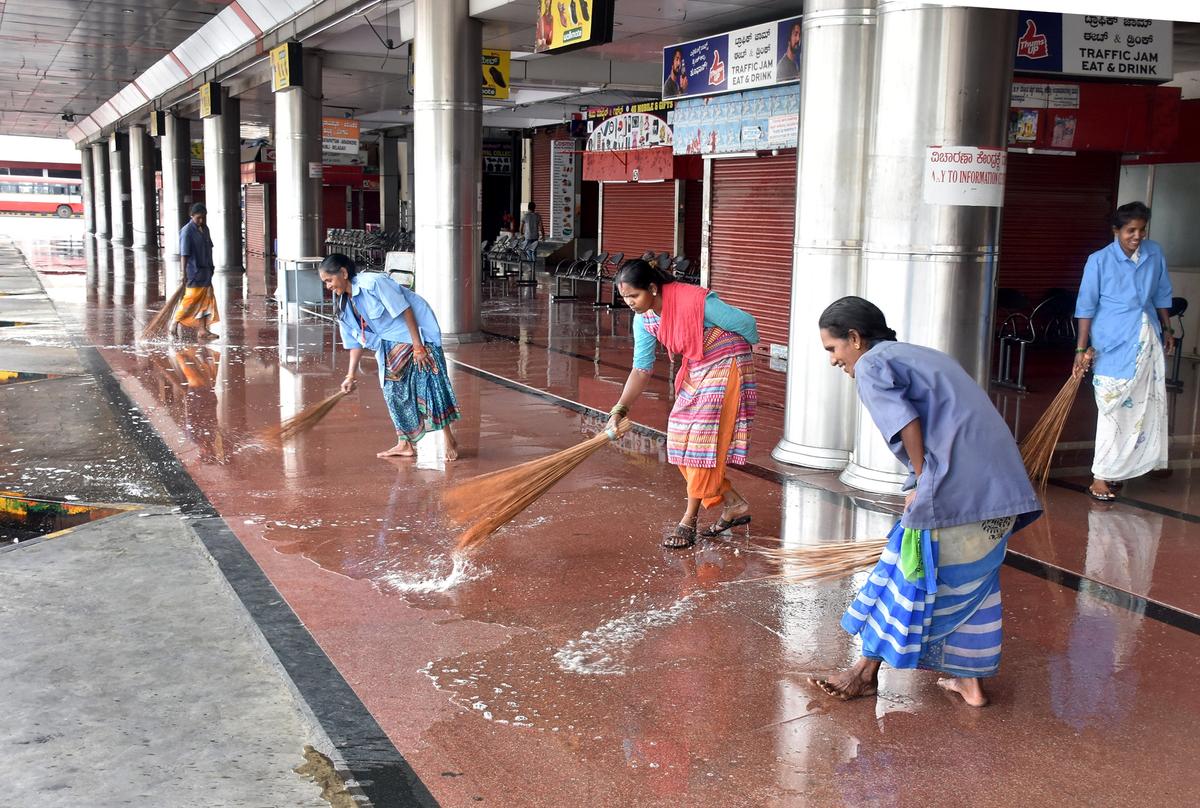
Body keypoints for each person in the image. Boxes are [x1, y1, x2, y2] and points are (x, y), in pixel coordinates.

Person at [810, 297, 1041, 707]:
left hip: (958, 490)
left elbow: (906, 422)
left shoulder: (871, 365)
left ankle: (864, 673)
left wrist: (921, 479)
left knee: (906, 574)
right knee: (973, 586)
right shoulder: (916, 354)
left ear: (855, 339)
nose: (833, 360)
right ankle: (969, 683)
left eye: (833, 348)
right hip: (1002, 494)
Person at [605, 259, 759, 548]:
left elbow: (747, 325)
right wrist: (620, 408)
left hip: (727, 364)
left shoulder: (696, 301)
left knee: (701, 441)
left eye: (633, 296)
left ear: (652, 288)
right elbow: (641, 368)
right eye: (624, 298)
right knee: (678, 438)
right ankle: (733, 502)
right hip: (697, 367)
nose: (629, 304)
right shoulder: (645, 319)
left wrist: (728, 343)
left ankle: (688, 520)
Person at [1073, 201, 1174, 501]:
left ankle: (1124, 469)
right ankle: (1100, 477)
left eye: (1142, 230)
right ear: (1116, 230)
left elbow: (1161, 293)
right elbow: (1086, 307)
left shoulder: (1154, 253)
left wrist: (1167, 329)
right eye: (1130, 230)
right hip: (1113, 344)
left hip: (1146, 338)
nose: (1137, 236)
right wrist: (1081, 348)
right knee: (1112, 409)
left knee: (1144, 407)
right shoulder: (1099, 261)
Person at [319, 253, 460, 461]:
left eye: (329, 280)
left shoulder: (374, 283)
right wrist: (350, 376)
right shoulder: (342, 308)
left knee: (430, 384)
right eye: (324, 283)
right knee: (392, 392)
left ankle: (449, 438)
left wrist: (418, 347)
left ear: (344, 273)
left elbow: (406, 310)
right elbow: (355, 343)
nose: (328, 287)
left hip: (416, 335)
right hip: (388, 345)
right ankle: (405, 444)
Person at [171, 203, 218, 340]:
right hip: (194, 271)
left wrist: (211, 266)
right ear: (192, 216)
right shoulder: (187, 231)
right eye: (198, 218)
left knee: (206, 300)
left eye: (203, 218)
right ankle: (174, 323)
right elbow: (184, 254)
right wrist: (183, 273)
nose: (201, 221)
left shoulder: (205, 229)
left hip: (206, 271)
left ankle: (202, 330)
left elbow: (209, 248)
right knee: (191, 299)